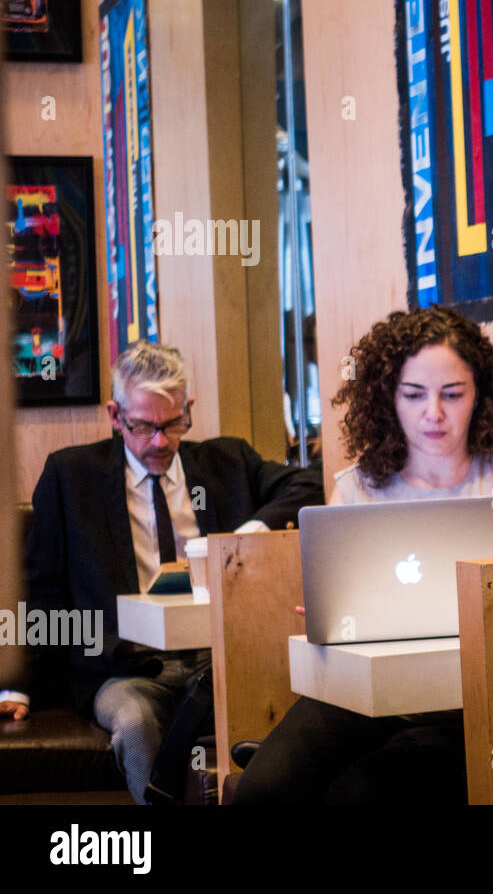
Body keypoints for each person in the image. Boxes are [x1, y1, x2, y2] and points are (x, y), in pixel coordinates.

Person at [233, 306, 493, 804]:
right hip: (362, 697)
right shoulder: (356, 487)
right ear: (387, 398)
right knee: (261, 790)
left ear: (480, 394)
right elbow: (331, 614)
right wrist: (329, 614)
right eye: (414, 395)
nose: (434, 413)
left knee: (359, 792)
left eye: (453, 394)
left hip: (473, 699)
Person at [0, 341, 325, 803]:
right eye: (144, 427)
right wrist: (18, 685)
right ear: (116, 416)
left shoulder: (226, 462)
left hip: (218, 659)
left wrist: (246, 533)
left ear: (188, 408)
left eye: (173, 424)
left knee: (284, 711)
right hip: (124, 668)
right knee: (135, 725)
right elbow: (40, 590)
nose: (160, 441)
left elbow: (309, 482)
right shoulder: (72, 476)